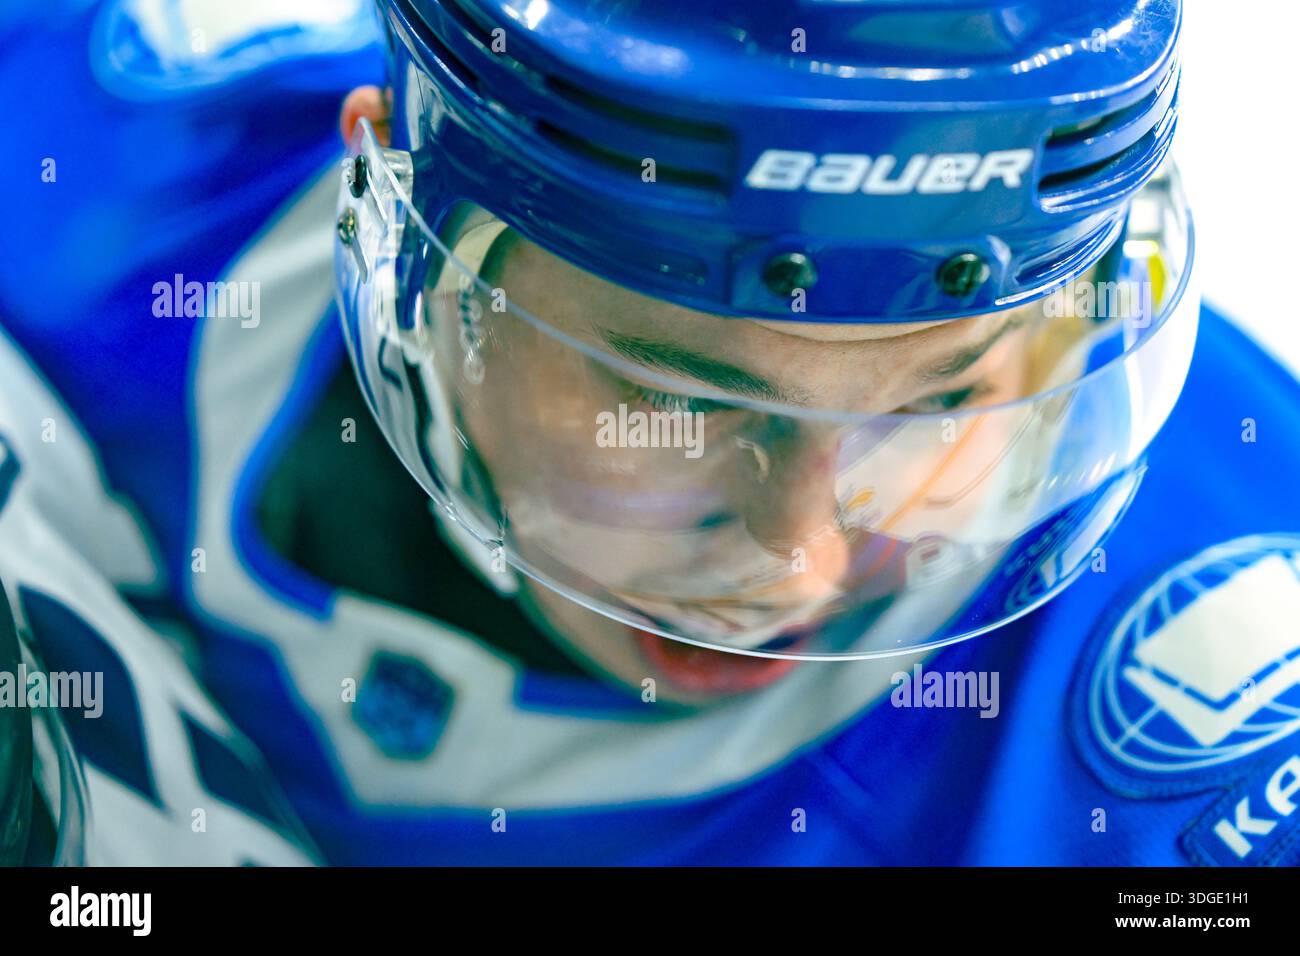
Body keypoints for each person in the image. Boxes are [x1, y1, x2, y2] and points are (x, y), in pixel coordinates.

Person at [3, 0, 1299, 866]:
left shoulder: (1194, 745)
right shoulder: (79, 192)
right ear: (395, 224)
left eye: (947, 401)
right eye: (678, 404)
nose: (797, 567)